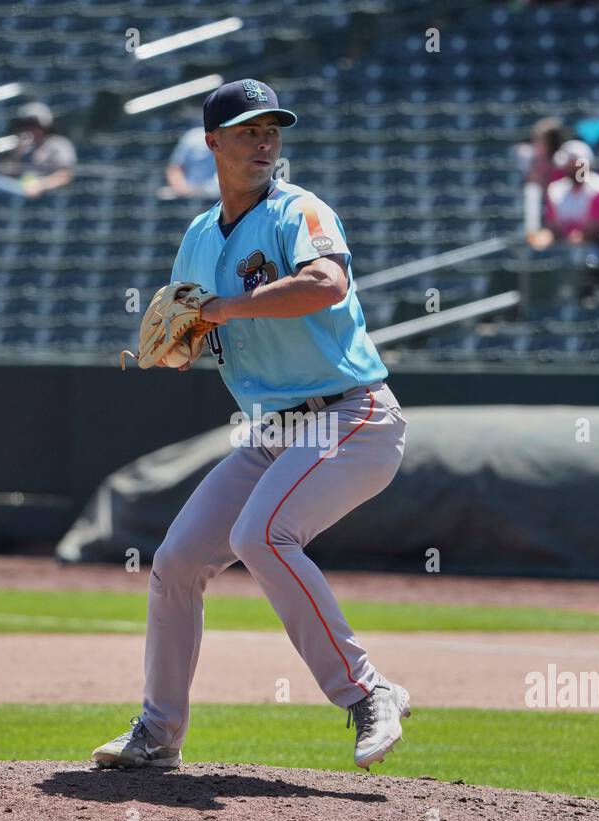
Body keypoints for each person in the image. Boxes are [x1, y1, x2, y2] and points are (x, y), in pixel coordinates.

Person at [91, 79, 410, 771]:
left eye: (272, 129)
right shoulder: (202, 236)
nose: (265, 141)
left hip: (351, 415)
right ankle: (157, 733)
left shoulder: (299, 211)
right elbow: (190, 336)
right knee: (176, 563)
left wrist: (223, 310)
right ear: (213, 143)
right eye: (247, 130)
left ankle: (367, 692)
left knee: (262, 535)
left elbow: (327, 285)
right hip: (272, 431)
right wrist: (176, 344)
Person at [527, 139, 599, 250]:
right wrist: (544, 237)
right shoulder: (556, 190)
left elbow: (593, 231)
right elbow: (553, 227)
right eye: (570, 164)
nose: (572, 168)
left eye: (575, 164)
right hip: (570, 251)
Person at [0, 102, 75, 198]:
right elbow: (12, 173)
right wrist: (17, 153)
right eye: (25, 125)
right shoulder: (25, 147)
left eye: (33, 124)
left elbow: (65, 175)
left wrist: (41, 185)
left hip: (49, 194)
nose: (29, 128)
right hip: (22, 192)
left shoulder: (59, 144)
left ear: (44, 124)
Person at [163, 124, 219, 198]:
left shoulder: (226, 137)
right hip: (188, 193)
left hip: (216, 194)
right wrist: (182, 188)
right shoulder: (192, 136)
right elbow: (175, 168)